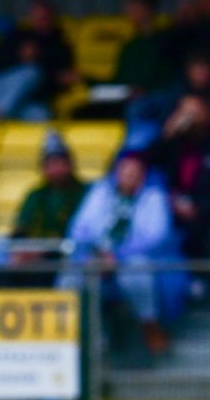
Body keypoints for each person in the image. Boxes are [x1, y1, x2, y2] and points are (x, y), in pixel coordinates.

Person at [64, 151, 178, 356]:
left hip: (131, 258)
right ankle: (72, 336)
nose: (129, 176)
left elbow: (156, 235)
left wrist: (117, 255)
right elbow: (80, 228)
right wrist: (99, 252)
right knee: (70, 276)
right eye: (125, 171)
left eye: (135, 172)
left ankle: (149, 324)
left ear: (143, 175)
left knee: (137, 270)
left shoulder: (153, 197)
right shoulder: (101, 192)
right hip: (96, 255)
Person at [148, 94, 210, 258]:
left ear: (209, 113)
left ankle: (194, 278)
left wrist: (198, 207)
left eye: (195, 111)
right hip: (170, 207)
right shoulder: (174, 143)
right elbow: (144, 164)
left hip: (206, 213)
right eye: (185, 111)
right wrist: (167, 134)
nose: (190, 117)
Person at [0, 0, 76, 120]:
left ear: (52, 16)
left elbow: (57, 82)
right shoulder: (17, 36)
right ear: (30, 16)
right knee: (31, 72)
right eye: (37, 15)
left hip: (25, 101)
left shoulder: (61, 46)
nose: (41, 19)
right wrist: (18, 57)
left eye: (45, 16)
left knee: (43, 115)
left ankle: (1, 115)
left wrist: (62, 80)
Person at [13, 134, 89, 240]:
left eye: (60, 163)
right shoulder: (36, 195)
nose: (56, 169)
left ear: (71, 165)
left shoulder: (87, 193)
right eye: (51, 164)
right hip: (37, 251)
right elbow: (21, 228)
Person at [111, 0, 176, 95]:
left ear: (148, 8)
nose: (128, 11)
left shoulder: (167, 41)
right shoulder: (130, 46)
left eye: (134, 6)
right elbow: (119, 81)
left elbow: (168, 78)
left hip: (155, 97)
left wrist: (145, 90)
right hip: (127, 97)